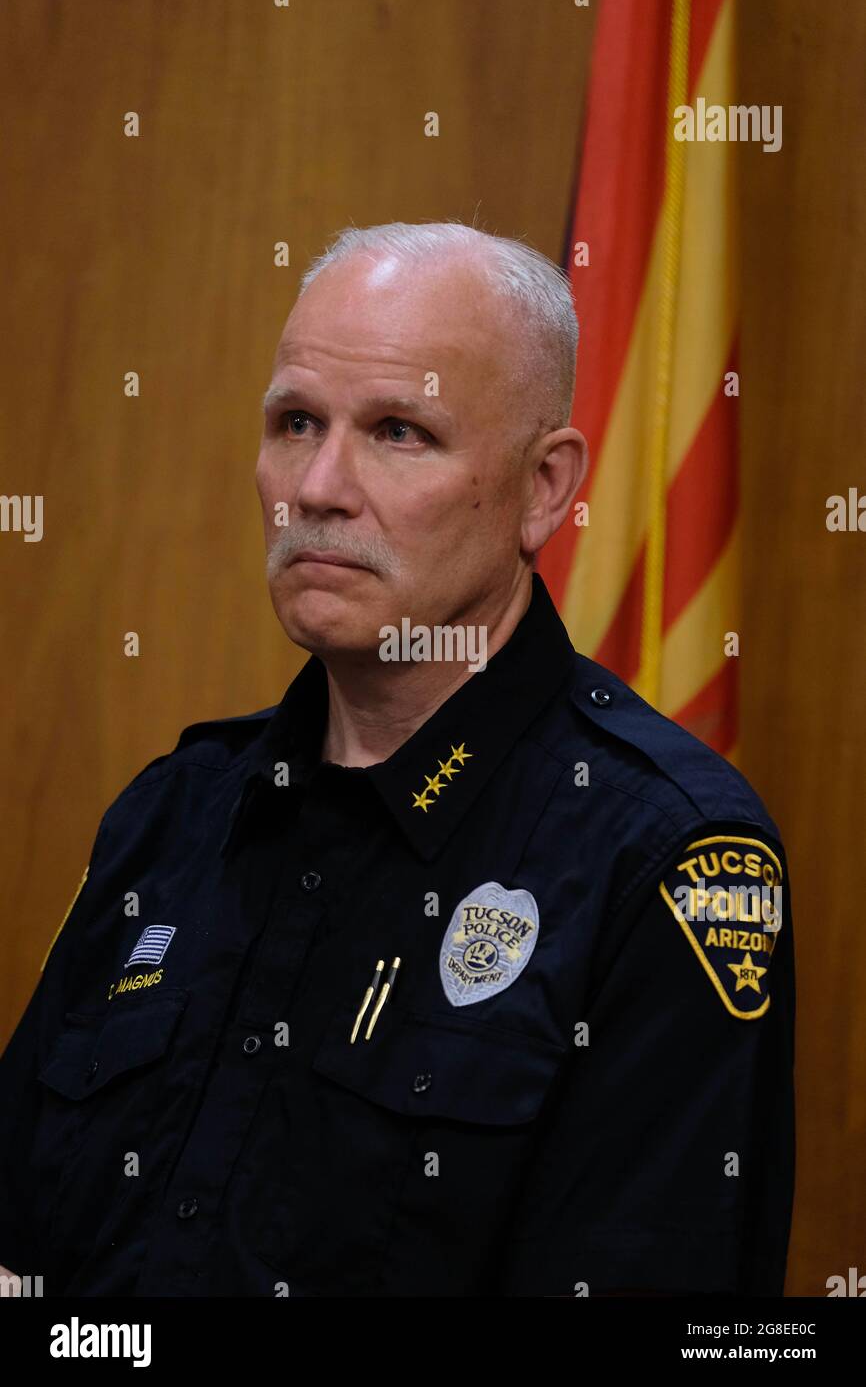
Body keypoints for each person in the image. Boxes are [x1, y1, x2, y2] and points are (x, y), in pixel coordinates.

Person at [0, 222, 794, 1297]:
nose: (317, 486)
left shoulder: (659, 859)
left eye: (397, 432)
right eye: (294, 423)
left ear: (541, 489)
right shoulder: (171, 813)